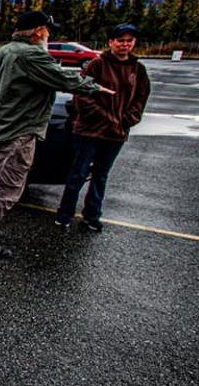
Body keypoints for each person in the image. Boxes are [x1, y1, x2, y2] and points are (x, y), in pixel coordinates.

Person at [0, 10, 113, 258]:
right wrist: (95, 87)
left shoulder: (2, 52)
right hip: (18, 132)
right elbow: (63, 78)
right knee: (7, 187)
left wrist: (0, 106)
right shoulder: (32, 54)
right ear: (38, 31)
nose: (49, 34)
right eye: (47, 30)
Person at [55, 23, 150, 231]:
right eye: (120, 40)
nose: (125, 44)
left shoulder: (138, 70)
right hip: (90, 130)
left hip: (116, 134)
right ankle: (65, 213)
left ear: (134, 43)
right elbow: (82, 94)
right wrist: (106, 117)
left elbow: (141, 99)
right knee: (78, 173)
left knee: (101, 175)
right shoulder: (97, 65)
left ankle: (92, 215)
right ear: (111, 42)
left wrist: (128, 119)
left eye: (129, 41)